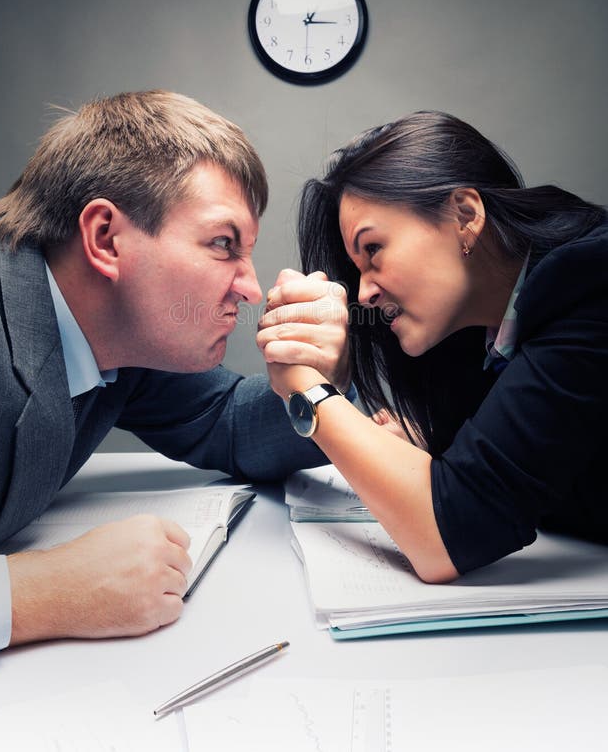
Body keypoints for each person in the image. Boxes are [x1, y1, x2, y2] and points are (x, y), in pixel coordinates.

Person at [0, 90, 348, 658]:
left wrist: (318, 375)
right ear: (105, 239)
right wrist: (41, 592)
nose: (249, 288)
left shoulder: (121, 348)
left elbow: (228, 422)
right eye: (223, 244)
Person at [257, 110, 608, 583]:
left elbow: (449, 537)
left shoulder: (590, 282)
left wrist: (305, 386)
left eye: (374, 249)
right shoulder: (482, 335)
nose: (364, 293)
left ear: (465, 216)